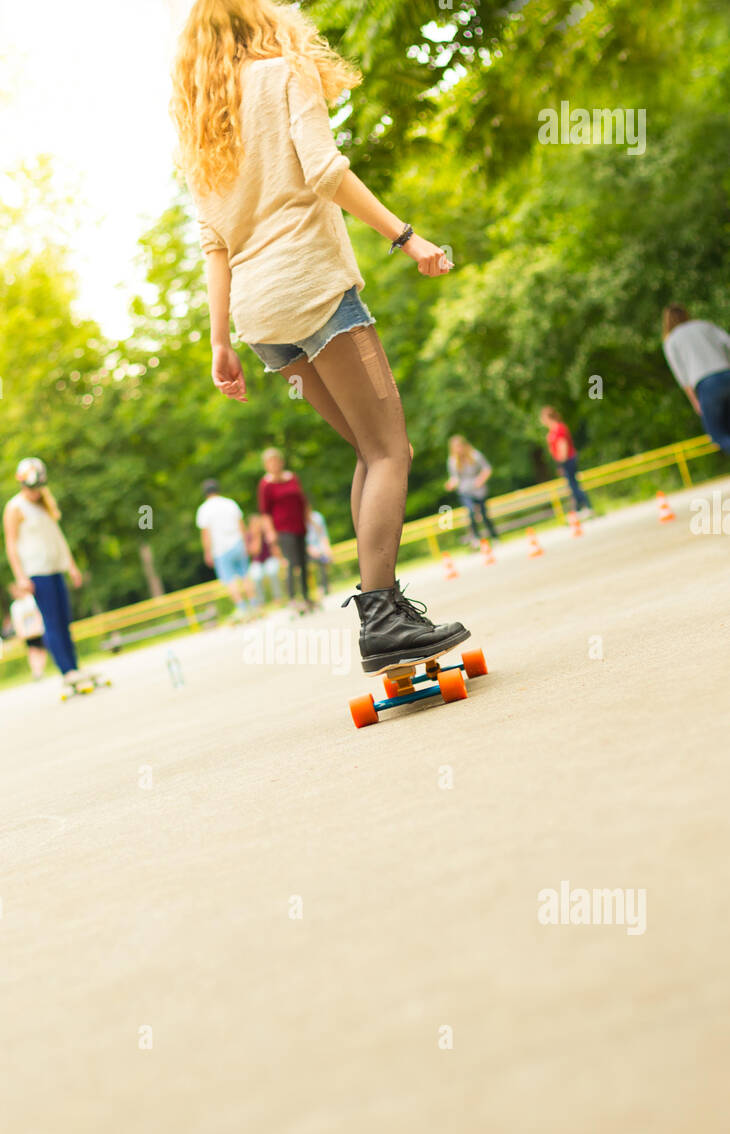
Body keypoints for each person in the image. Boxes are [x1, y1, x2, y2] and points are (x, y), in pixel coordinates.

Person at [171, 0, 469, 674]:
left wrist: (221, 344)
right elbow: (326, 171)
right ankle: (384, 614)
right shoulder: (285, 74)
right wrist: (405, 236)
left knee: (370, 449)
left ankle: (382, 610)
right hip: (314, 291)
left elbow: (214, 246)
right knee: (393, 450)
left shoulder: (202, 124)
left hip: (261, 322)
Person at [3, 458, 85, 689]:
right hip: (36, 572)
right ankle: (66, 671)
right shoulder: (15, 507)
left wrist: (71, 565)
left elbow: (57, 538)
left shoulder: (45, 505)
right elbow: (11, 544)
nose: (36, 491)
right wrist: (20, 576)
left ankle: (75, 667)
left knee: (64, 620)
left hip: (55, 567)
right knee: (52, 622)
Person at [662, 303, 730, 452]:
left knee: (718, 436)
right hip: (727, 373)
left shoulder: (671, 340)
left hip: (706, 384)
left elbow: (682, 377)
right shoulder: (704, 325)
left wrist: (695, 401)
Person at [257, 449, 314, 612]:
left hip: (299, 524)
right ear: (266, 465)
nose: (274, 465)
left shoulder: (292, 478)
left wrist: (309, 520)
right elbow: (265, 512)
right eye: (270, 462)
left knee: (303, 561)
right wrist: (270, 533)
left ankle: (306, 596)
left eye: (276, 461)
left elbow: (302, 500)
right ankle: (292, 598)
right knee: (291, 562)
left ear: (281, 462)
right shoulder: (265, 484)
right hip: (282, 527)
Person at [195, 479, 255, 619]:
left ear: (205, 493)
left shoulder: (204, 509)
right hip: (238, 543)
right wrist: (246, 543)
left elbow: (206, 534)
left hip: (220, 549)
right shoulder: (229, 503)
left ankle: (242, 609)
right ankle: (254, 605)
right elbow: (241, 525)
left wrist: (207, 552)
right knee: (245, 576)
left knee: (230, 580)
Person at [445, 436, 498, 548]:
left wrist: (481, 479)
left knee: (484, 514)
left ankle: (494, 537)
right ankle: (476, 539)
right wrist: (451, 484)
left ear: (464, 445)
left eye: (459, 446)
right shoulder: (452, 461)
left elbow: (487, 469)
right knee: (471, 512)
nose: (458, 449)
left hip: (479, 490)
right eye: (455, 448)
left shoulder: (475, 455)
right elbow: (455, 478)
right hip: (465, 490)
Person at [540, 407, 593, 518]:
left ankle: (586, 507)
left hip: (567, 459)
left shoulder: (559, 429)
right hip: (563, 460)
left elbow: (562, 447)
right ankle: (579, 508)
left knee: (573, 485)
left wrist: (561, 464)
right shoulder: (552, 431)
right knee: (571, 485)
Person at [9, 583, 48, 680]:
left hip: (38, 630)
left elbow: (38, 613)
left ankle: (40, 669)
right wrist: (21, 633)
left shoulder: (31, 599)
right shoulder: (15, 606)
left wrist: (37, 627)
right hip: (27, 633)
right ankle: (36, 672)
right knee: (32, 651)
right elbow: (17, 622)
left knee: (42, 650)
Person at [245, 512, 284, 605]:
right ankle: (260, 601)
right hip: (257, 562)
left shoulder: (266, 533)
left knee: (272, 572)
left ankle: (278, 597)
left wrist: (280, 558)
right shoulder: (249, 535)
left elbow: (274, 547)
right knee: (256, 577)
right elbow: (255, 551)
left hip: (269, 558)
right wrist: (257, 535)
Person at [305, 504, 333, 595]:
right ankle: (319, 586)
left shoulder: (317, 517)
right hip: (307, 550)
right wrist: (310, 549)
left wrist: (327, 548)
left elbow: (323, 535)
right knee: (318, 560)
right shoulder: (299, 521)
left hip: (319, 548)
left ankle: (324, 585)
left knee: (324, 558)